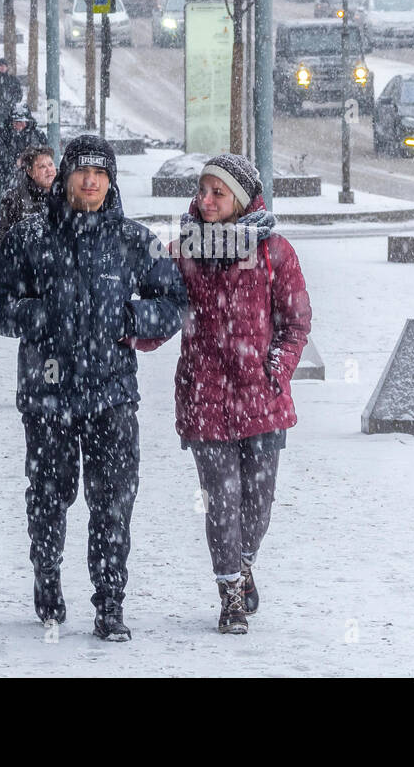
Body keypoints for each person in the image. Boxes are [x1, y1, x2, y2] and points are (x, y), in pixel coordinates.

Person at [0, 135, 188, 641]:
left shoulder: (135, 241)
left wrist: (131, 316)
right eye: (80, 172)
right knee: (50, 497)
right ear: (65, 178)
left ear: (111, 182)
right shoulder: (30, 236)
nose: (89, 181)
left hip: (111, 393)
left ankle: (110, 603)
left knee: (113, 500)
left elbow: (174, 301)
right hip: (47, 393)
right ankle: (47, 582)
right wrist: (38, 315)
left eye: (100, 173)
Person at [145, 154, 311, 635]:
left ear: (240, 199)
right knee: (221, 500)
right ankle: (231, 595)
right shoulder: (182, 253)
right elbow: (160, 316)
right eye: (204, 190)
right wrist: (126, 329)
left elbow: (295, 323)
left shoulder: (274, 252)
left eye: (218, 192)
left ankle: (244, 560)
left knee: (258, 503)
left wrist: (275, 371)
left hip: (261, 399)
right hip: (205, 399)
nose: (207, 200)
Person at [0, 144, 54, 250]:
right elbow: (2, 240)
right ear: (30, 172)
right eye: (42, 167)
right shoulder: (13, 198)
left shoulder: (66, 193)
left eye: (50, 164)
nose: (49, 170)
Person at [0, 102, 47, 198]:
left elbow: (44, 155)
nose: (19, 125)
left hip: (33, 184)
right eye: (16, 122)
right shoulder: (3, 133)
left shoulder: (37, 135)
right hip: (8, 183)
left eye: (22, 122)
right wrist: (15, 162)